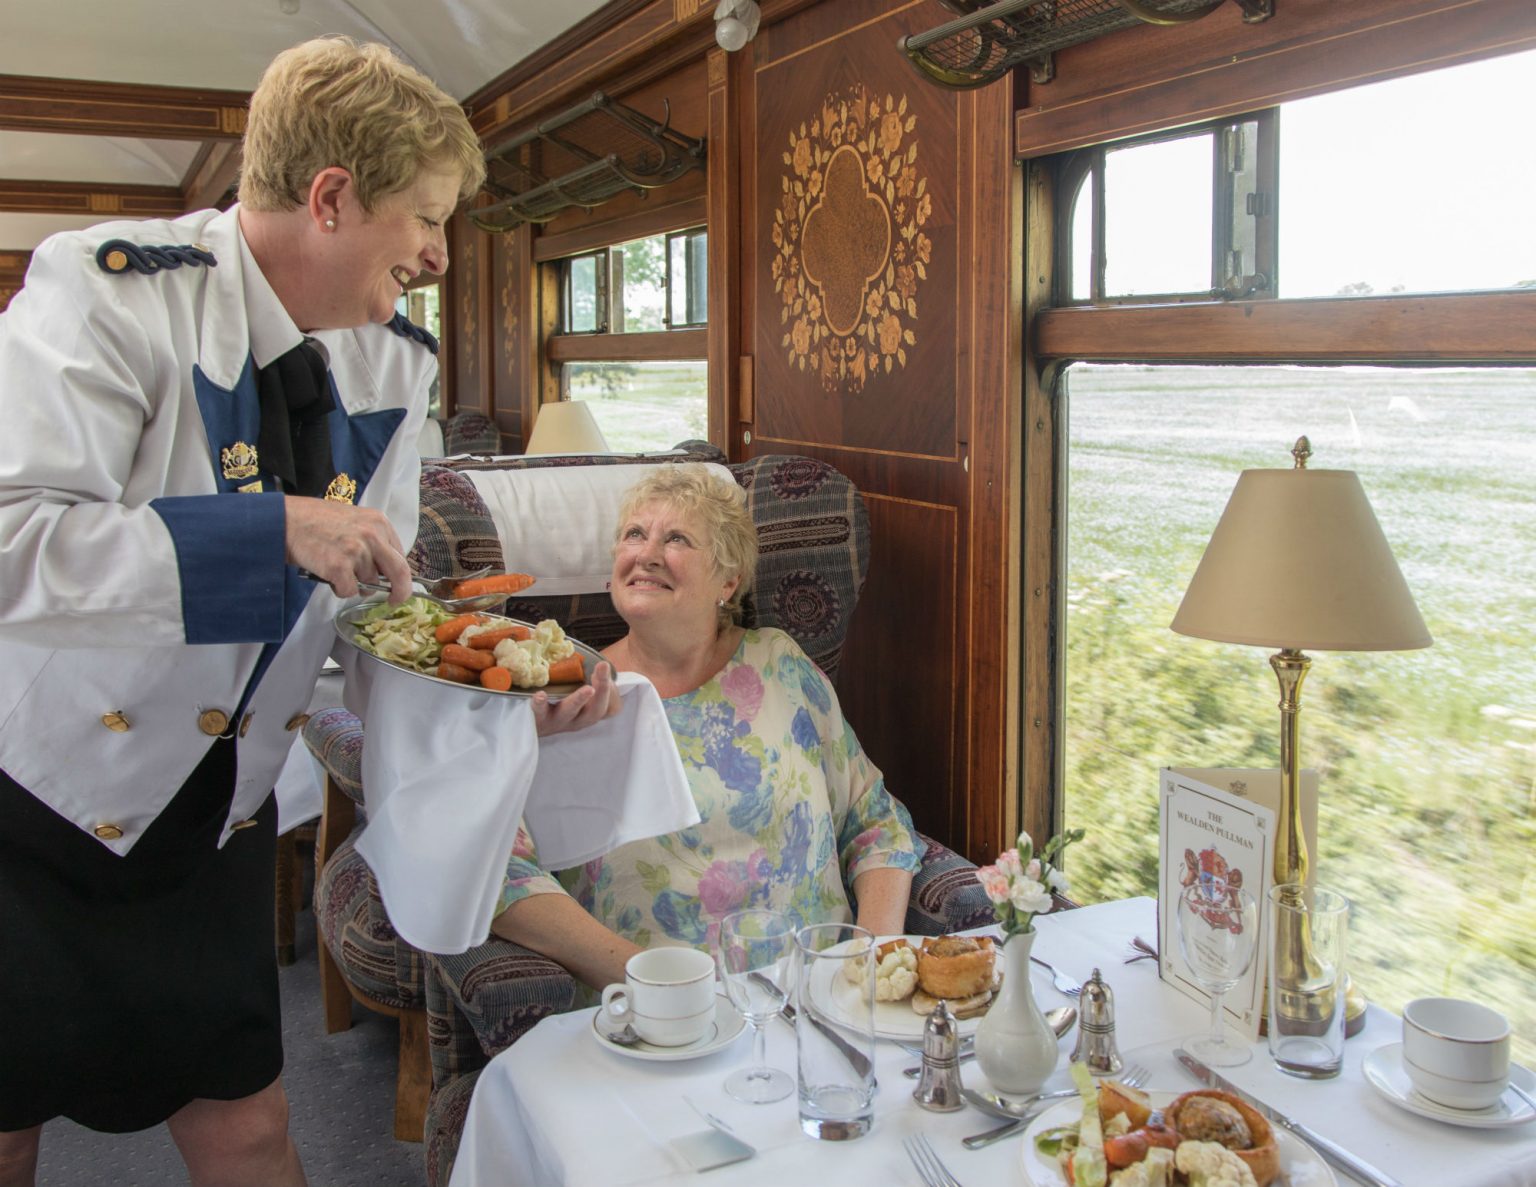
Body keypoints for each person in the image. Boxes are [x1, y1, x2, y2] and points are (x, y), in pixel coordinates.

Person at [0, 37, 618, 1187]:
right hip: (33, 802)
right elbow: (13, 541)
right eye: (427, 217)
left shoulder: (394, 362)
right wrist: (267, 528)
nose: (439, 252)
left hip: (211, 819)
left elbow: (379, 603)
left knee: (244, 1121)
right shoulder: (108, 293)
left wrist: (505, 682)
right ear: (331, 198)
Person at [491, 464, 922, 993]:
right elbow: (498, 873)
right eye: (634, 535)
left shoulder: (779, 664)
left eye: (676, 539)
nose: (646, 554)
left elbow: (875, 822)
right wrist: (649, 980)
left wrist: (875, 961)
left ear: (728, 581)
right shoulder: (568, 696)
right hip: (659, 1015)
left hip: (824, 997)